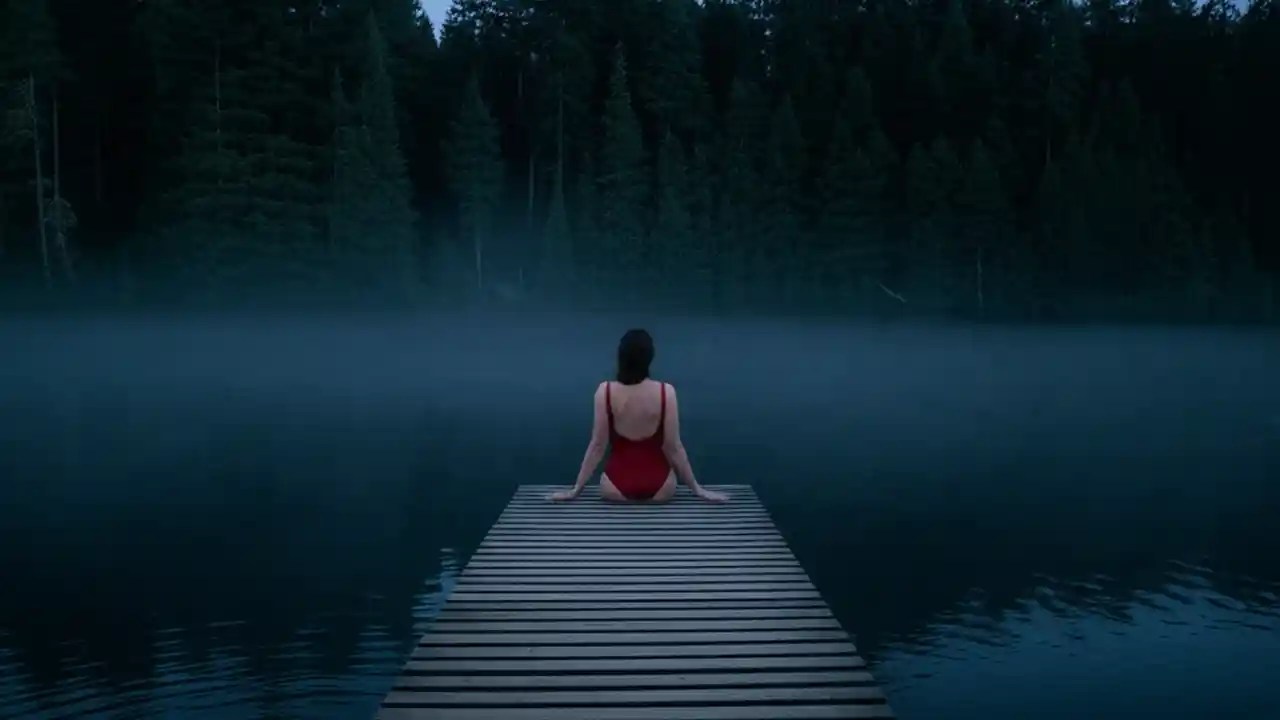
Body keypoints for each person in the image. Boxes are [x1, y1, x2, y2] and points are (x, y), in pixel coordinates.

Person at [548, 329, 728, 504]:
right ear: (650, 358)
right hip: (661, 487)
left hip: (614, 486)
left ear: (621, 356)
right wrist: (697, 489)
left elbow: (597, 446)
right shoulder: (666, 392)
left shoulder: (606, 392)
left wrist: (575, 489)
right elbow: (673, 447)